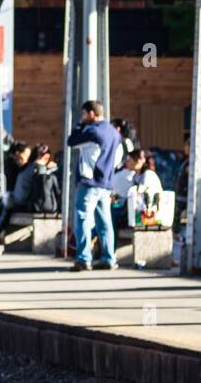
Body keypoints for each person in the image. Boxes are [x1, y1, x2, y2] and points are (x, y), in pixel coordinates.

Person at [66, 100, 122, 271]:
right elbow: (119, 156)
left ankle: (83, 258)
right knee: (105, 222)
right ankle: (109, 258)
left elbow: (72, 141)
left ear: (91, 113)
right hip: (106, 183)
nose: (83, 117)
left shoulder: (92, 131)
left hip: (89, 182)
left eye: (84, 114)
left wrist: (79, 125)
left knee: (83, 219)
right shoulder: (114, 133)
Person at [112, 148, 163, 231]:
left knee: (114, 213)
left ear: (139, 161)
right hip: (139, 210)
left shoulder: (148, 175)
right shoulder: (136, 175)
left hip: (148, 212)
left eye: (129, 160)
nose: (126, 162)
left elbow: (139, 192)